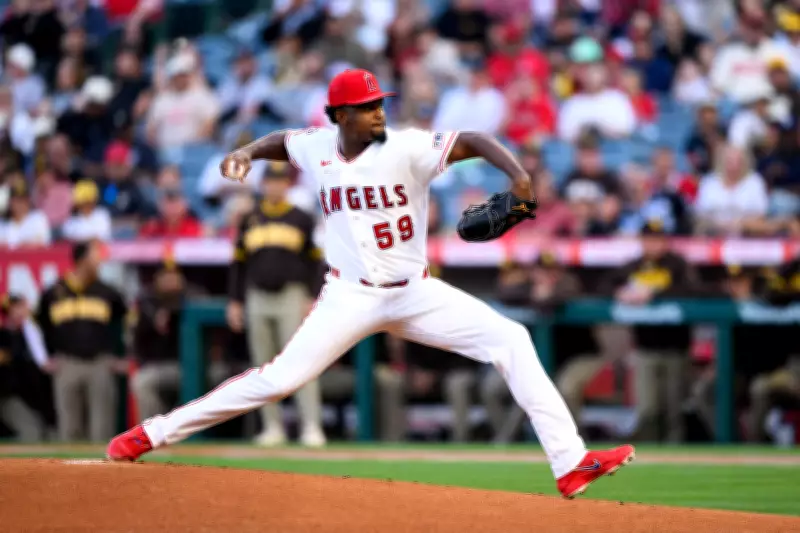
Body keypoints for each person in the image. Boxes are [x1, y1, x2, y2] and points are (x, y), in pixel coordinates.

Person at [108, 68, 634, 499]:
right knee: (279, 380)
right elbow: (280, 142)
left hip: (415, 292)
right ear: (339, 116)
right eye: (367, 105)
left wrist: (519, 179)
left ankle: (569, 463)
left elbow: (473, 139)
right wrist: (246, 151)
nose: (379, 110)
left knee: (512, 339)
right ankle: (150, 433)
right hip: (350, 295)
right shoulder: (317, 146)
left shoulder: (405, 147)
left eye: (380, 101)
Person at [227, 161, 326, 447]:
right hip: (257, 295)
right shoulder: (250, 218)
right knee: (262, 364)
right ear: (263, 184)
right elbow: (238, 263)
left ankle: (311, 426)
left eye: (280, 181)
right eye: (271, 180)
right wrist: (235, 300)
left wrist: (311, 295)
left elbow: (315, 262)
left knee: (300, 360)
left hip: (291, 295)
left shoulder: (301, 218)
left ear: (287, 185)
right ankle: (272, 427)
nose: (275, 185)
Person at [37, 240, 128, 442]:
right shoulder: (53, 293)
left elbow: (126, 326)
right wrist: (44, 357)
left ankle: (103, 474)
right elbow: (38, 327)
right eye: (95, 256)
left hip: (100, 363)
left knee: (102, 429)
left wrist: (122, 357)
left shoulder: (108, 292)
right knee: (69, 428)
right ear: (82, 260)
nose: (100, 261)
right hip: (67, 363)